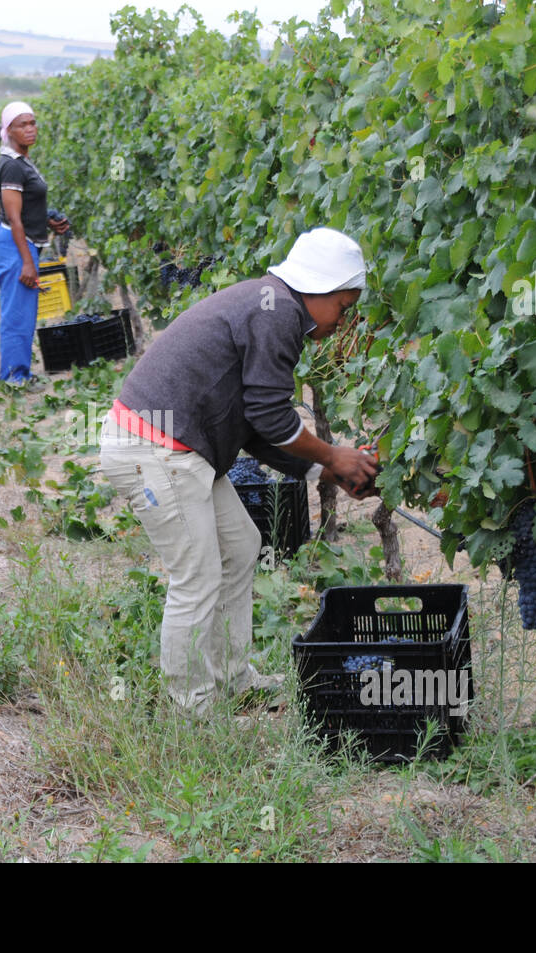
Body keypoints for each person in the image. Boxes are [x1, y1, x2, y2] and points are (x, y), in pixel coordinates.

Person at [98, 228, 381, 717]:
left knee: (241, 548)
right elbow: (271, 416)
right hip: (156, 449)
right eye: (344, 305)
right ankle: (193, 709)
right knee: (198, 575)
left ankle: (232, 681)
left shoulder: (268, 303)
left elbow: (253, 423)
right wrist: (333, 456)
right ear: (321, 289)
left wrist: (322, 473)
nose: (344, 320)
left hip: (179, 449)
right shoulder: (278, 313)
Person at [0, 100, 68, 388]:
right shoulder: (12, 166)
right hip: (16, 245)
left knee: (23, 312)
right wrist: (27, 261)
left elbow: (25, 208)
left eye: (32, 123)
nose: (30, 129)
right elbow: (13, 217)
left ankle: (18, 373)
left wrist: (47, 220)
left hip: (21, 242)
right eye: (22, 124)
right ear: (8, 130)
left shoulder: (21, 161)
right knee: (17, 314)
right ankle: (13, 378)